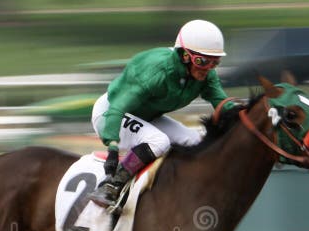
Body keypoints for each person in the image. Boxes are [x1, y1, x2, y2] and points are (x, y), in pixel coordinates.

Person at [87, 19, 237, 208]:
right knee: (159, 141)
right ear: (184, 55)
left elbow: (222, 105)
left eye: (214, 62)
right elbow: (117, 108)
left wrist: (248, 114)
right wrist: (112, 149)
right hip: (111, 113)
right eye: (202, 61)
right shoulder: (156, 71)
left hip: (145, 118)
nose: (207, 68)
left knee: (197, 142)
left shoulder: (206, 76)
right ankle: (110, 185)